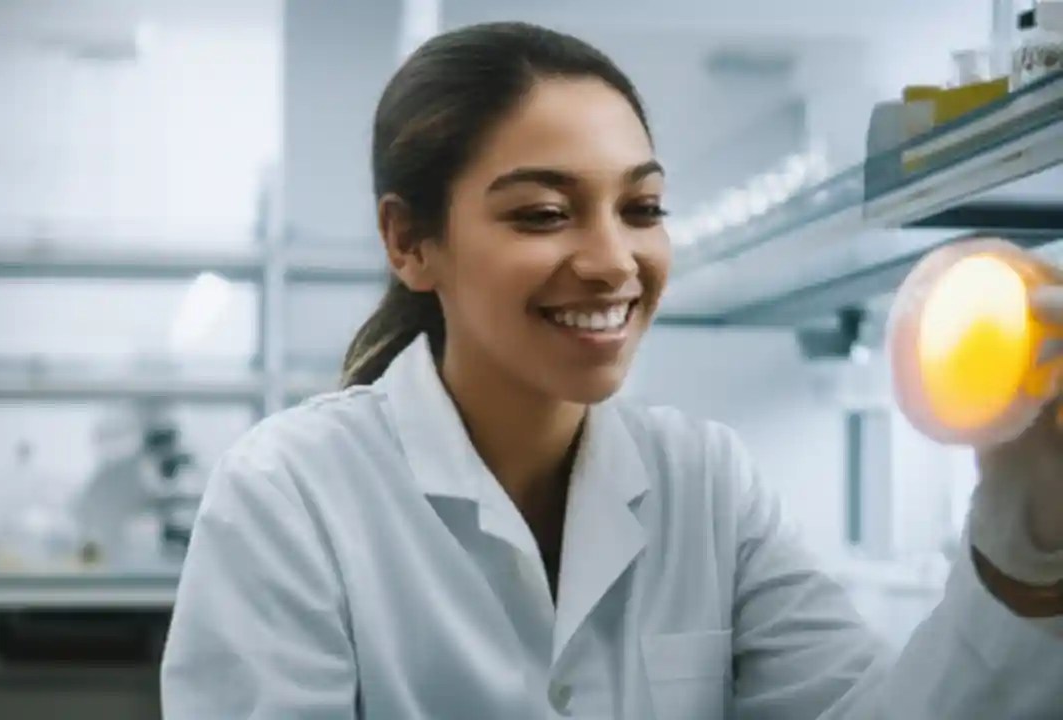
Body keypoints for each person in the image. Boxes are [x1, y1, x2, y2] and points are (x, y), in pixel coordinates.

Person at [161, 22, 1063, 719]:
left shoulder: (705, 483)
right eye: (545, 213)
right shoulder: (291, 496)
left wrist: (1021, 549)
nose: (613, 260)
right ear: (409, 240)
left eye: (642, 207)